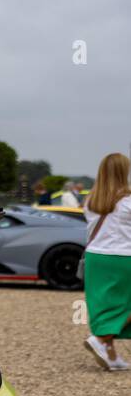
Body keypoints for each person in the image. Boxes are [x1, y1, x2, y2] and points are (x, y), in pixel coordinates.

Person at [81, 153, 131, 371]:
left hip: (95, 257)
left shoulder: (91, 201)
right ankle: (100, 340)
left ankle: (111, 356)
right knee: (123, 304)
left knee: (103, 303)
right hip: (123, 257)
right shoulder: (128, 202)